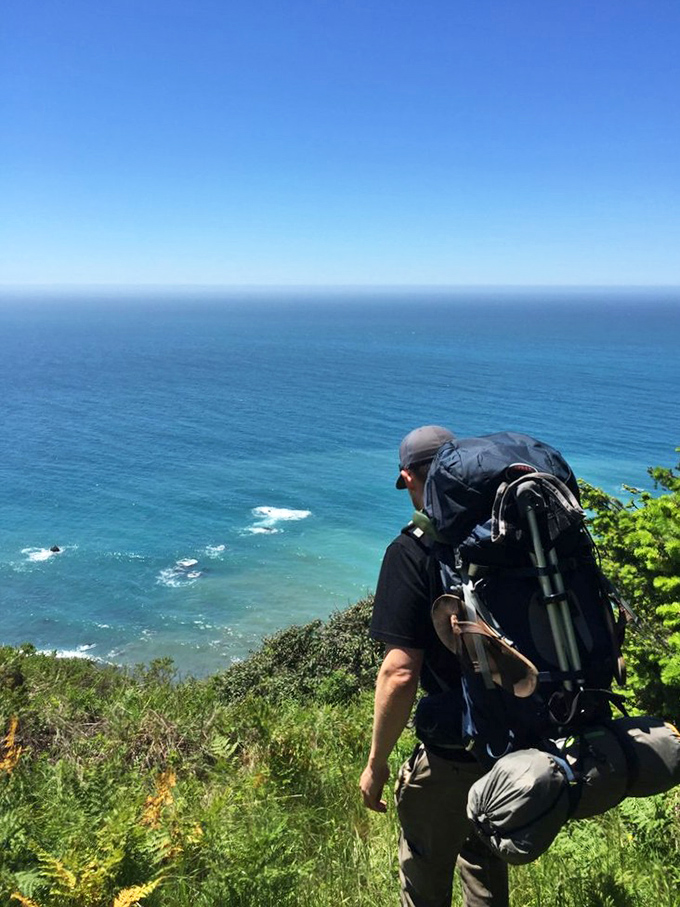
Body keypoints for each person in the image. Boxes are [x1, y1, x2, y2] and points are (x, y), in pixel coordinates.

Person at [359, 426, 509, 907]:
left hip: (452, 752)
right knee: (485, 868)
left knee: (424, 875)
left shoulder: (412, 551)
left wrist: (376, 764)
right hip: (512, 741)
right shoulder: (504, 536)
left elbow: (400, 671)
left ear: (409, 477)